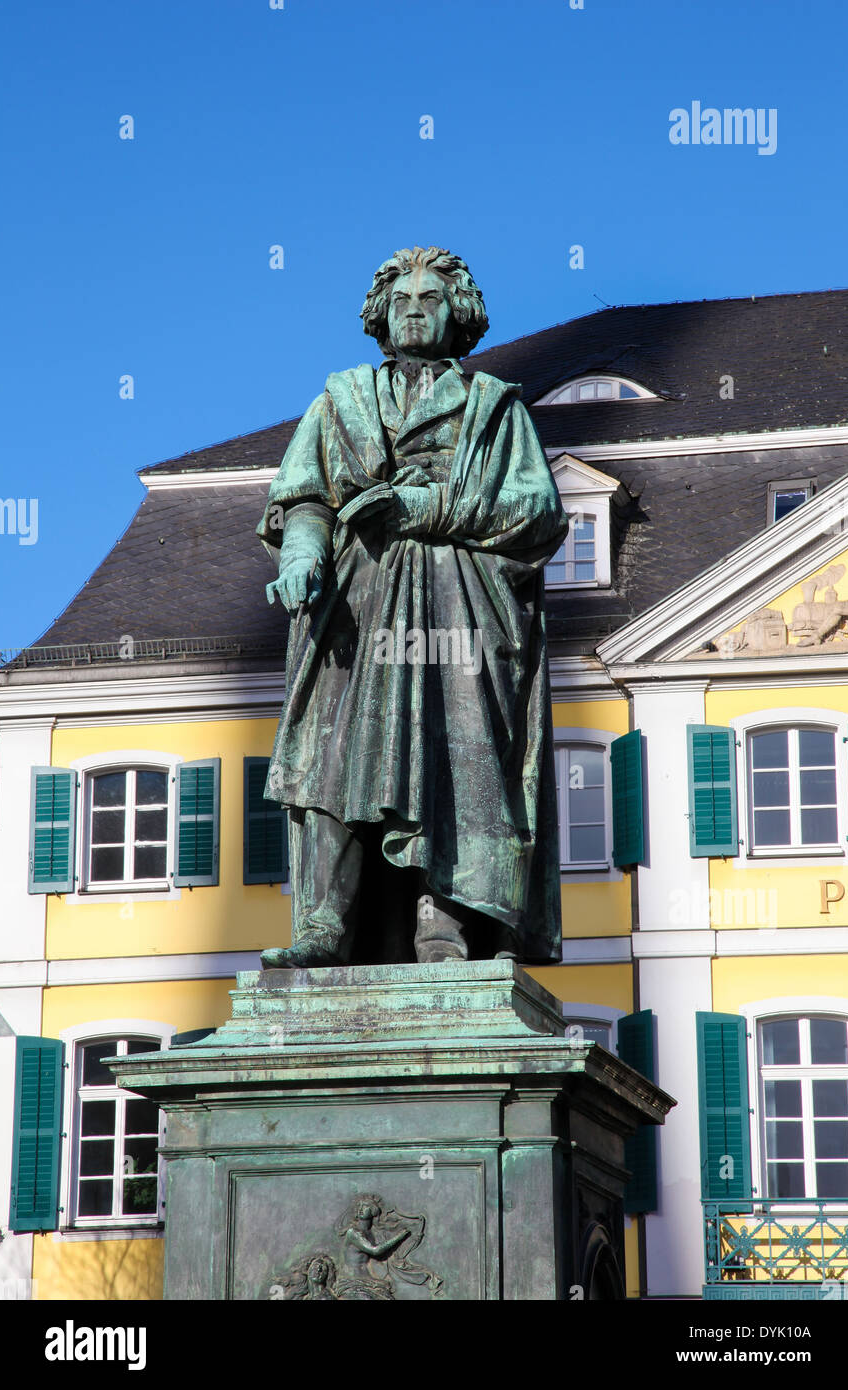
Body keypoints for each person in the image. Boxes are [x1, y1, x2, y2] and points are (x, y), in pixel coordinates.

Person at [258, 247, 567, 967]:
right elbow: (305, 497)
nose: (415, 311)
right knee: (334, 757)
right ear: (381, 316)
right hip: (354, 607)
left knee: (457, 761)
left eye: (430, 299)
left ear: (459, 314)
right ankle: (325, 925)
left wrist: (425, 508)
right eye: (402, 301)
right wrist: (302, 555)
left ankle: (443, 931)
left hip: (461, 607)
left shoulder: (496, 408)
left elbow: (536, 509)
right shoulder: (339, 401)